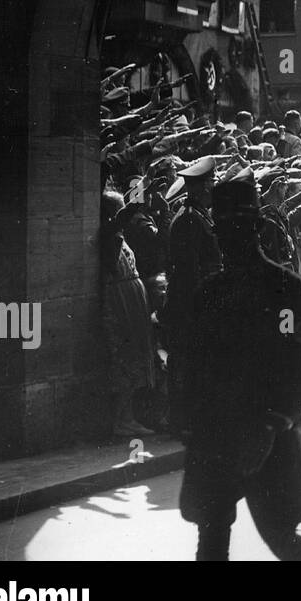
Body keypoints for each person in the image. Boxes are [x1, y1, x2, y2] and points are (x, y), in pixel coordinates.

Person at [177, 171, 301, 562]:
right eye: (221, 229)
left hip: (268, 435)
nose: (227, 238)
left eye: (238, 227)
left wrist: (272, 425)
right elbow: (193, 365)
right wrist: (186, 420)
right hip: (217, 435)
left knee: (282, 539)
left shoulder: (284, 289)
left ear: (256, 228)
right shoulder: (209, 294)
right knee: (211, 542)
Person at [162, 155, 222, 435]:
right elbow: (190, 272)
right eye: (211, 183)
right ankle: (182, 422)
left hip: (197, 301)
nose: (214, 188)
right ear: (199, 187)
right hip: (190, 305)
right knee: (186, 363)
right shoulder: (188, 220)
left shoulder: (198, 215)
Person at [100, 190, 159, 437]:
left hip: (130, 298)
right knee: (126, 361)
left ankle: (128, 417)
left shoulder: (118, 237)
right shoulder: (110, 237)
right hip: (121, 301)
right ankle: (121, 419)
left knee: (135, 358)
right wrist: (136, 202)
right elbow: (120, 221)